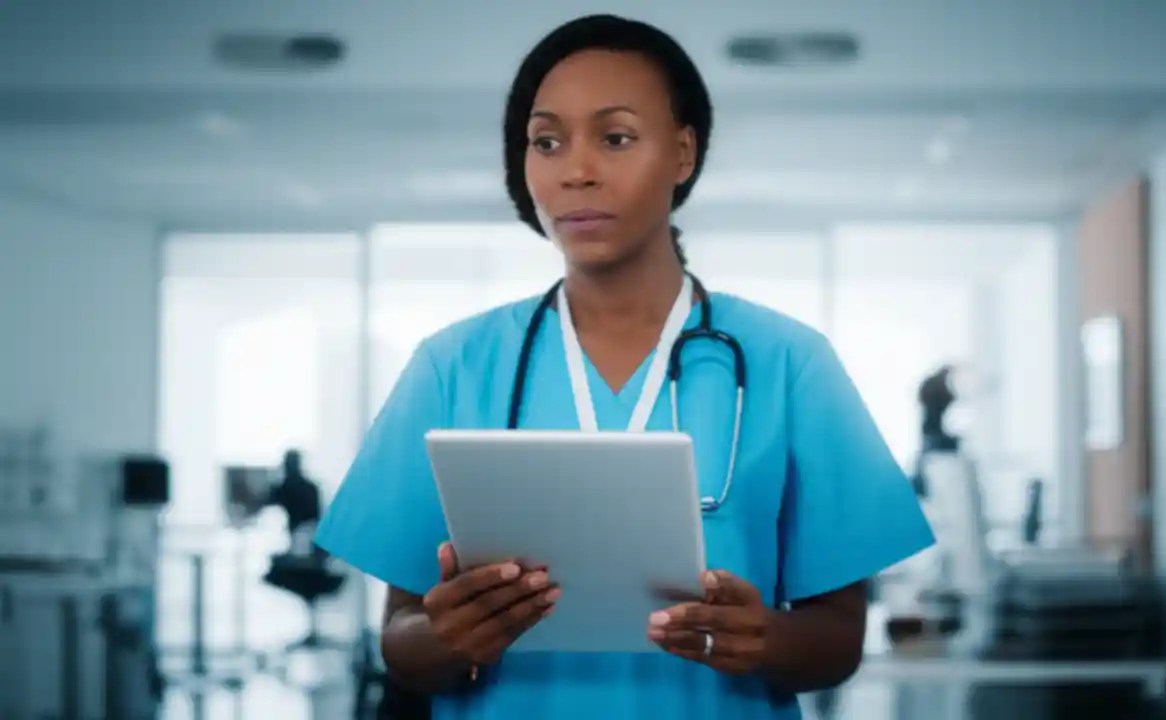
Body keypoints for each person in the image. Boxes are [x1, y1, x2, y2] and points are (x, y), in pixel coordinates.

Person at [315, 14, 934, 719]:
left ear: (681, 153)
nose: (577, 171)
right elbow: (401, 638)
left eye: (615, 138)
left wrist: (764, 639)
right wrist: (452, 637)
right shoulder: (452, 366)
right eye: (546, 142)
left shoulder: (789, 362)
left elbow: (837, 641)